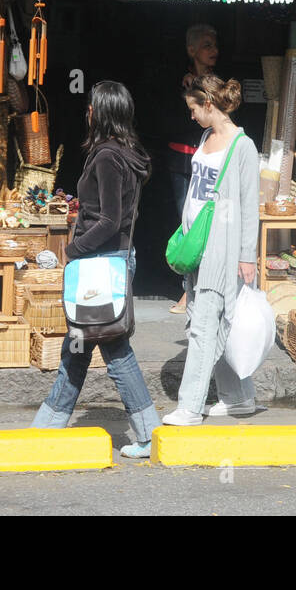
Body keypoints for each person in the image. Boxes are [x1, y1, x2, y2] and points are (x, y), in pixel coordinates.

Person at [32, 81, 161, 458]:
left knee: (113, 346)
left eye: (91, 106)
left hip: (101, 262)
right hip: (113, 259)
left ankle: (149, 433)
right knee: (79, 343)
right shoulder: (127, 153)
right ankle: (48, 426)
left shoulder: (107, 156)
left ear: (101, 112)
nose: (86, 111)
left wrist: (72, 250)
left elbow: (109, 220)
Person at [164, 74, 261, 426]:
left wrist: (247, 255)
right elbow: (194, 194)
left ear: (208, 104)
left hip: (223, 248)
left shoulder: (243, 146)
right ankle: (239, 398)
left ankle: (190, 407)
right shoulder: (205, 137)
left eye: (193, 108)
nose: (191, 116)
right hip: (198, 244)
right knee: (212, 323)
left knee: (204, 326)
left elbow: (251, 204)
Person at [166, 23, 220, 315]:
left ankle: (204, 290)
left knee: (207, 227)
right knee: (187, 225)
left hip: (209, 163)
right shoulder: (179, 81)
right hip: (181, 161)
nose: (214, 50)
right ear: (191, 50)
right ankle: (187, 291)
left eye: (214, 45)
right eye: (207, 45)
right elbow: (173, 120)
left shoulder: (219, 86)